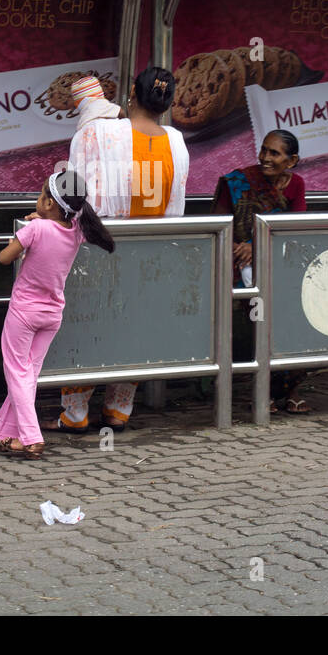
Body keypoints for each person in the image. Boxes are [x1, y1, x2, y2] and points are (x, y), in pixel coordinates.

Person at [46, 65, 190, 433]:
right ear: (168, 102)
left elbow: (74, 192)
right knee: (135, 324)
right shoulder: (176, 140)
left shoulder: (96, 132)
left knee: (90, 325)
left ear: (130, 91)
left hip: (98, 248)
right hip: (152, 251)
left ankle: (75, 413)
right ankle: (119, 409)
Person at [0, 168, 116, 459]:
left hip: (23, 312)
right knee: (27, 375)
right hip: (52, 315)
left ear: (48, 204)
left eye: (41, 193)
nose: (38, 197)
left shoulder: (35, 229)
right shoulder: (77, 232)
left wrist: (26, 235)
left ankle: (31, 437)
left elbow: (4, 257)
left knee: (18, 373)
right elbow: (64, 230)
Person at [212, 129, 310, 413]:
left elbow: (294, 228)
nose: (265, 158)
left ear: (291, 161)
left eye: (274, 153)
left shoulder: (296, 185)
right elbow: (219, 226)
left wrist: (257, 245)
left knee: (289, 328)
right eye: (264, 150)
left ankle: (290, 391)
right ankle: (262, 392)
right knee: (259, 329)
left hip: (281, 266)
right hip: (241, 269)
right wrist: (240, 246)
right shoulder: (238, 182)